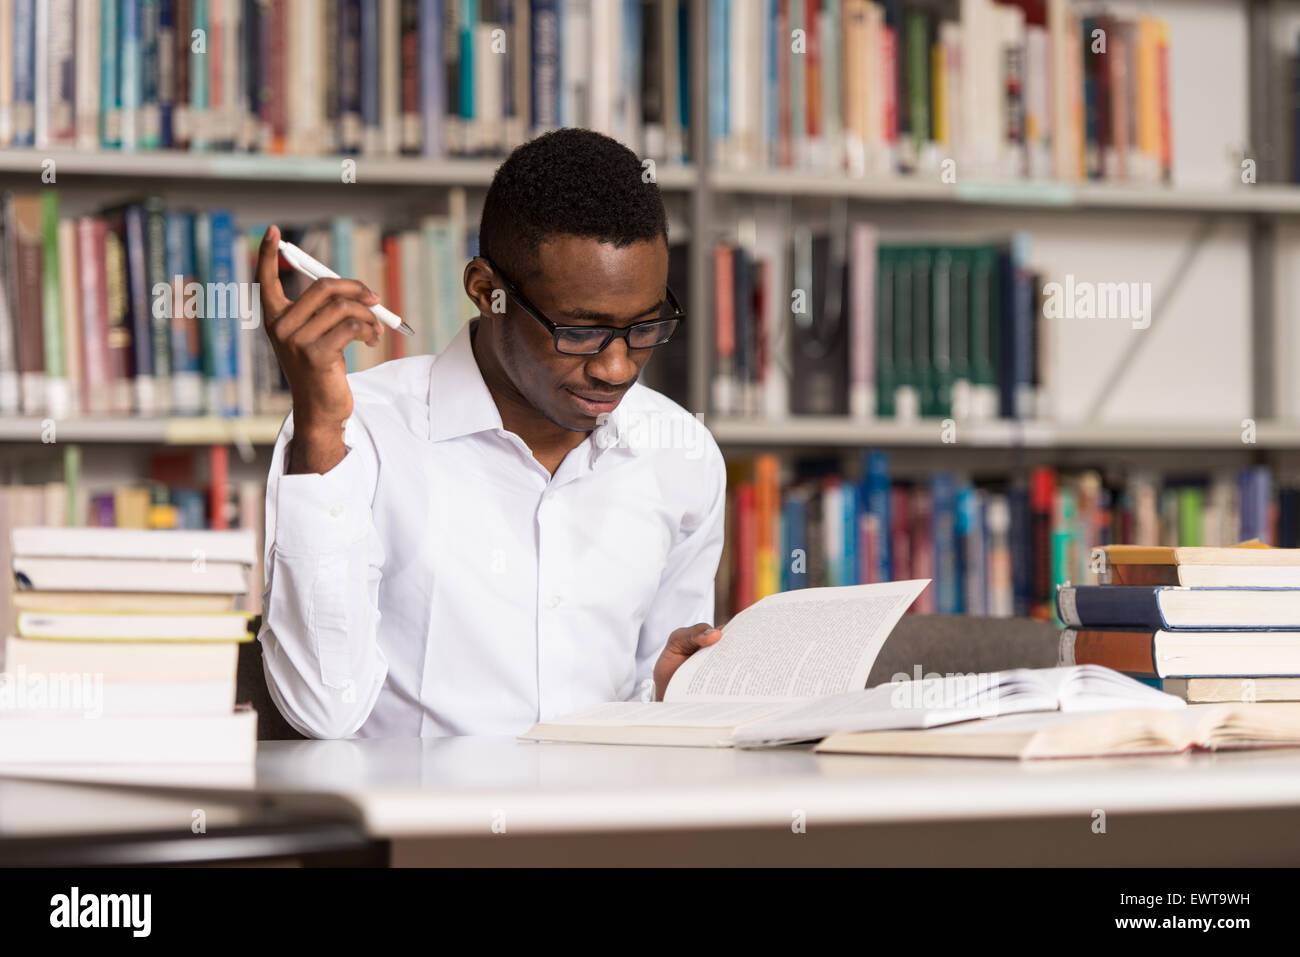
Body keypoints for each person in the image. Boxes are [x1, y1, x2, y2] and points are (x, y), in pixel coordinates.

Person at [255, 129, 727, 738]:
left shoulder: (681, 453)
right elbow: (321, 710)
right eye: (579, 331)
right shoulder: (355, 432)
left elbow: (647, 705)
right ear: (487, 292)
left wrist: (666, 695)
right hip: (422, 828)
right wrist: (318, 427)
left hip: (606, 822)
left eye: (645, 327)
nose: (616, 368)